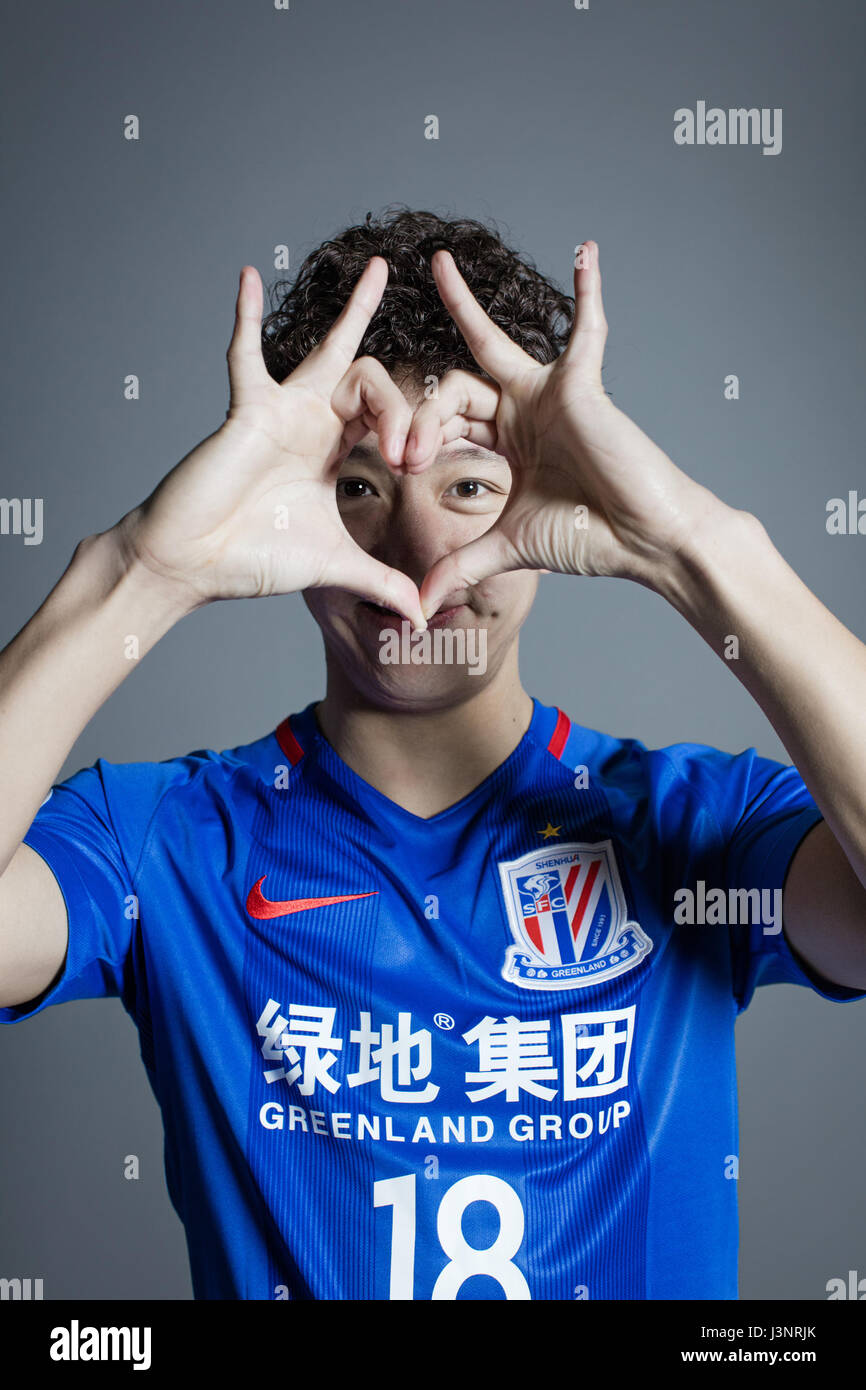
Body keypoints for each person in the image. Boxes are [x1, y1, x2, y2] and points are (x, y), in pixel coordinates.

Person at [0, 207, 864, 1301]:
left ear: (557, 498)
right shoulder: (166, 844)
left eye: (467, 486)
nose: (420, 555)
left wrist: (689, 540)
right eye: (359, 489)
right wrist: (144, 565)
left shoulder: (697, 831)